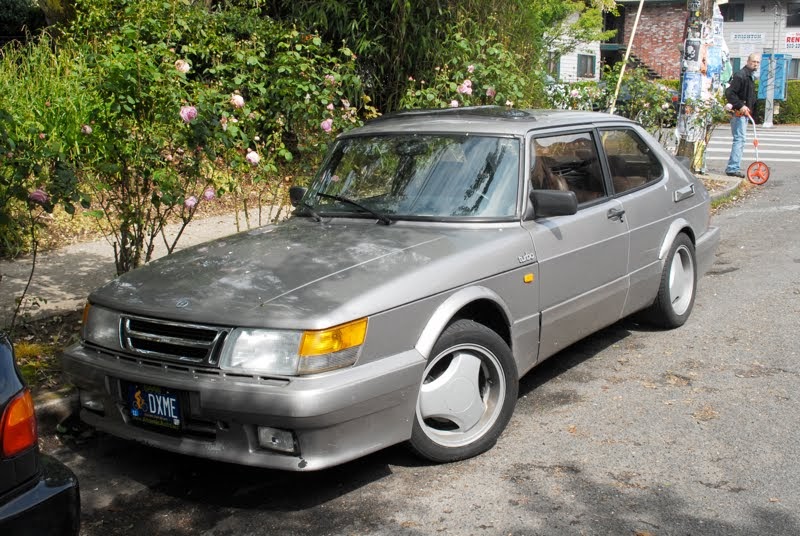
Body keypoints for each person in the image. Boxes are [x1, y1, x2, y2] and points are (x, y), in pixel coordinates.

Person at [724, 53, 760, 178]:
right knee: (739, 139)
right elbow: (729, 92)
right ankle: (733, 168)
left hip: (745, 114)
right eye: (753, 61)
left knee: (741, 139)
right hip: (739, 113)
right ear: (748, 61)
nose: (755, 64)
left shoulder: (750, 76)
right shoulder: (741, 75)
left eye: (757, 62)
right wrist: (741, 106)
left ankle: (733, 166)